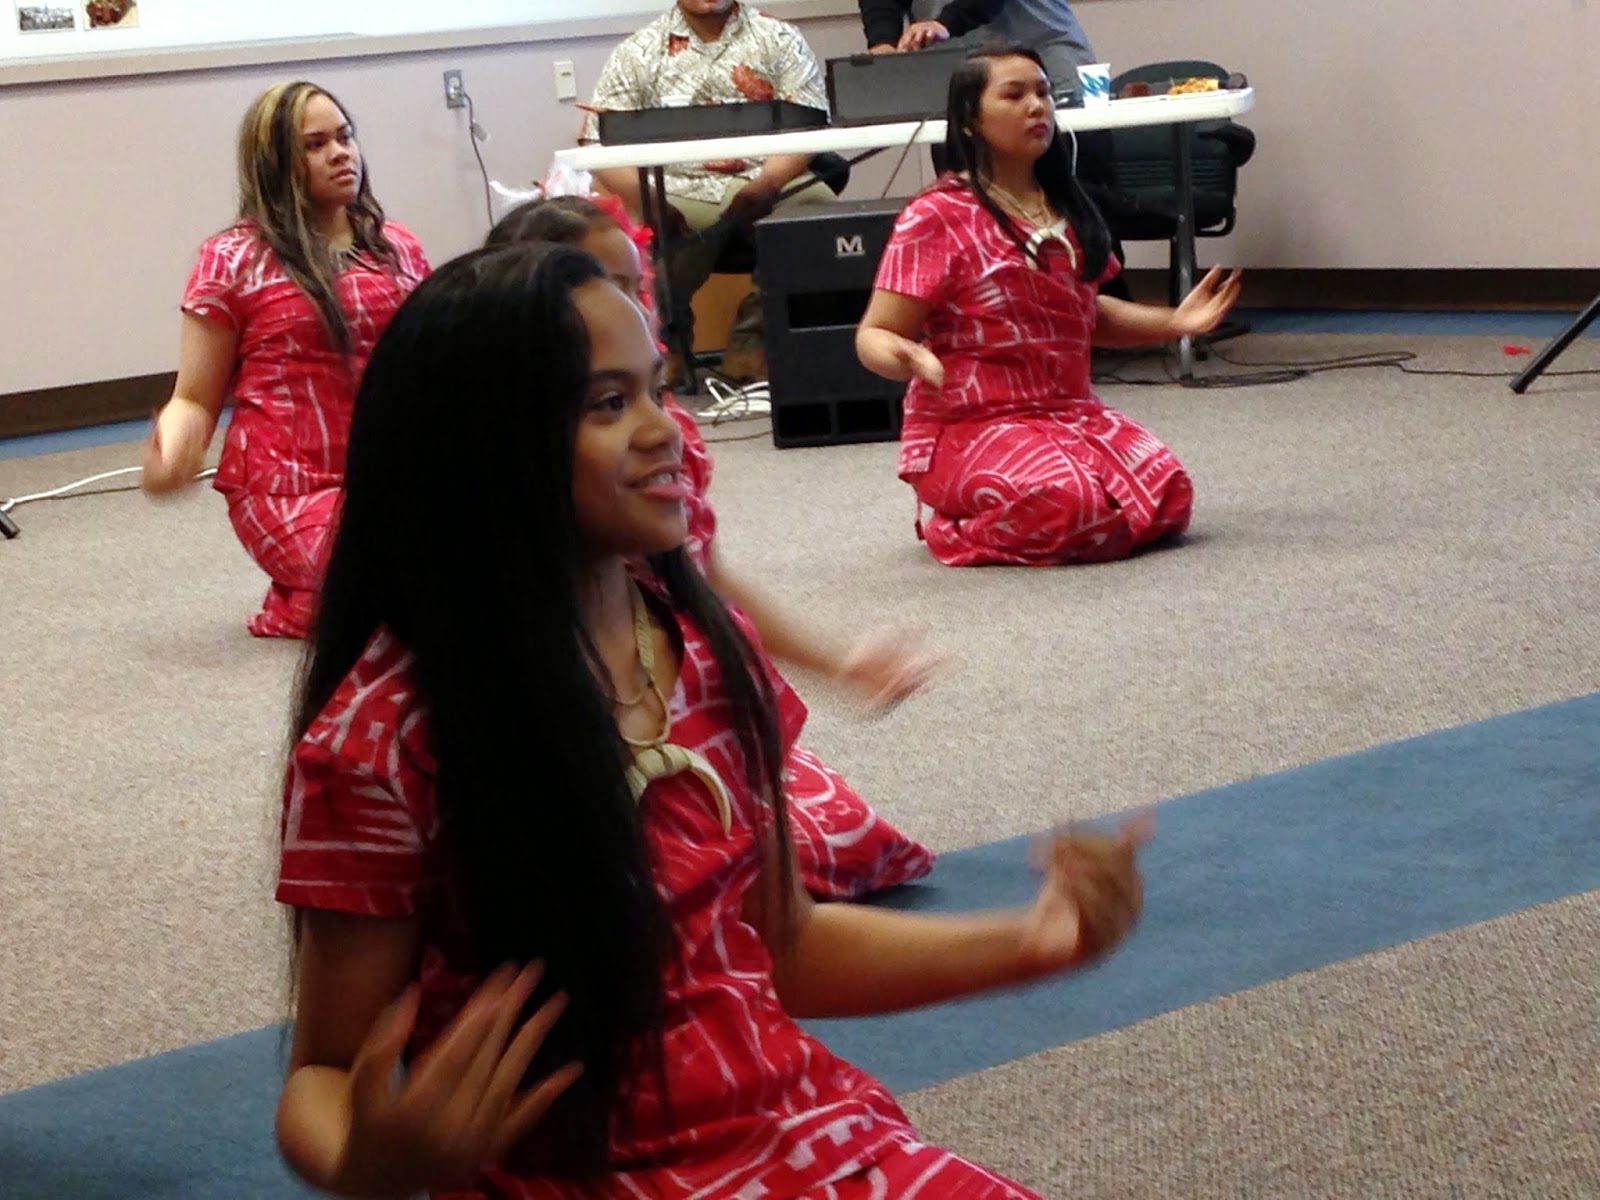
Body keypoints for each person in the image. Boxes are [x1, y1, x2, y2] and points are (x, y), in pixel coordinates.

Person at [272, 239, 1152, 1198]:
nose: (666, 432)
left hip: (799, 1130)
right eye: (609, 404)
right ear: (487, 445)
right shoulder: (387, 736)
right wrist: (372, 1165)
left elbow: (787, 945)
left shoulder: (703, 641)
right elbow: (320, 1073)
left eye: (657, 388)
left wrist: (1036, 940)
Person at [484, 194, 937, 900]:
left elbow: (708, 577)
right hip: (598, 716)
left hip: (685, 681)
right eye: (610, 288)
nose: (636, 309)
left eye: (638, 286)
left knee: (849, 842)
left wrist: (839, 661)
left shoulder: (671, 437)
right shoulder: (528, 467)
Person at [856, 44, 1240, 567]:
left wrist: (1173, 323)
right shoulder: (936, 215)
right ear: (970, 119)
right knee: (1071, 505)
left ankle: (1065, 496)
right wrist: (910, 357)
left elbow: (1089, 314)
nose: (1036, 107)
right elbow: (874, 334)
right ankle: (952, 526)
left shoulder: (1065, 204)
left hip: (1067, 412)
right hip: (969, 426)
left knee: (1168, 499)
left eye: (1042, 93)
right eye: (1013, 95)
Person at [140, 80, 430, 638]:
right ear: (275, 162)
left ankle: (312, 605)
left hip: (393, 475)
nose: (341, 153)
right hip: (287, 488)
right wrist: (172, 456)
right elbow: (194, 398)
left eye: (345, 137)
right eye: (315, 144)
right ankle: (314, 599)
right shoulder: (231, 259)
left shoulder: (398, 246)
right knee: (395, 581)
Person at [579, 0, 839, 381]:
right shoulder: (638, 50)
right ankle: (667, 347)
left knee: (818, 213)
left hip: (766, 176)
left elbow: (809, 123)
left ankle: (754, 344)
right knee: (653, 236)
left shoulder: (779, 38)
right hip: (678, 185)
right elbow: (595, 143)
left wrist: (767, 183)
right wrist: (652, 201)